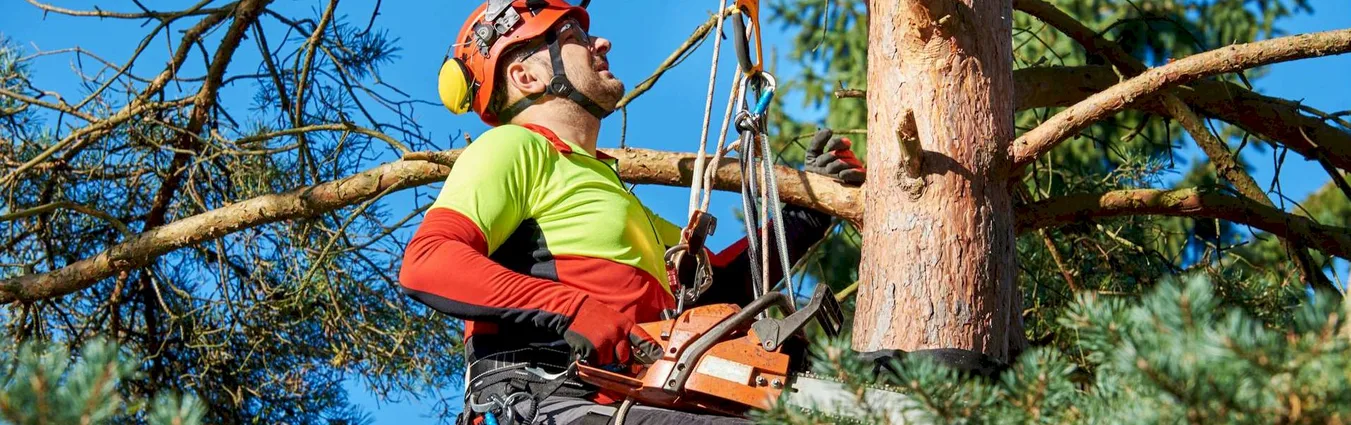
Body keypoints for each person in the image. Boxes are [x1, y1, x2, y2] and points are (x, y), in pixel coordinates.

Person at [398, 1, 865, 424]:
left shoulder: (608, 191)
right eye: (573, 37)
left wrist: (803, 217)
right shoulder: (514, 147)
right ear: (526, 77)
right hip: (551, 401)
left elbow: (715, 288)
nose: (601, 42)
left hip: (635, 400)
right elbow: (429, 261)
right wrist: (571, 308)